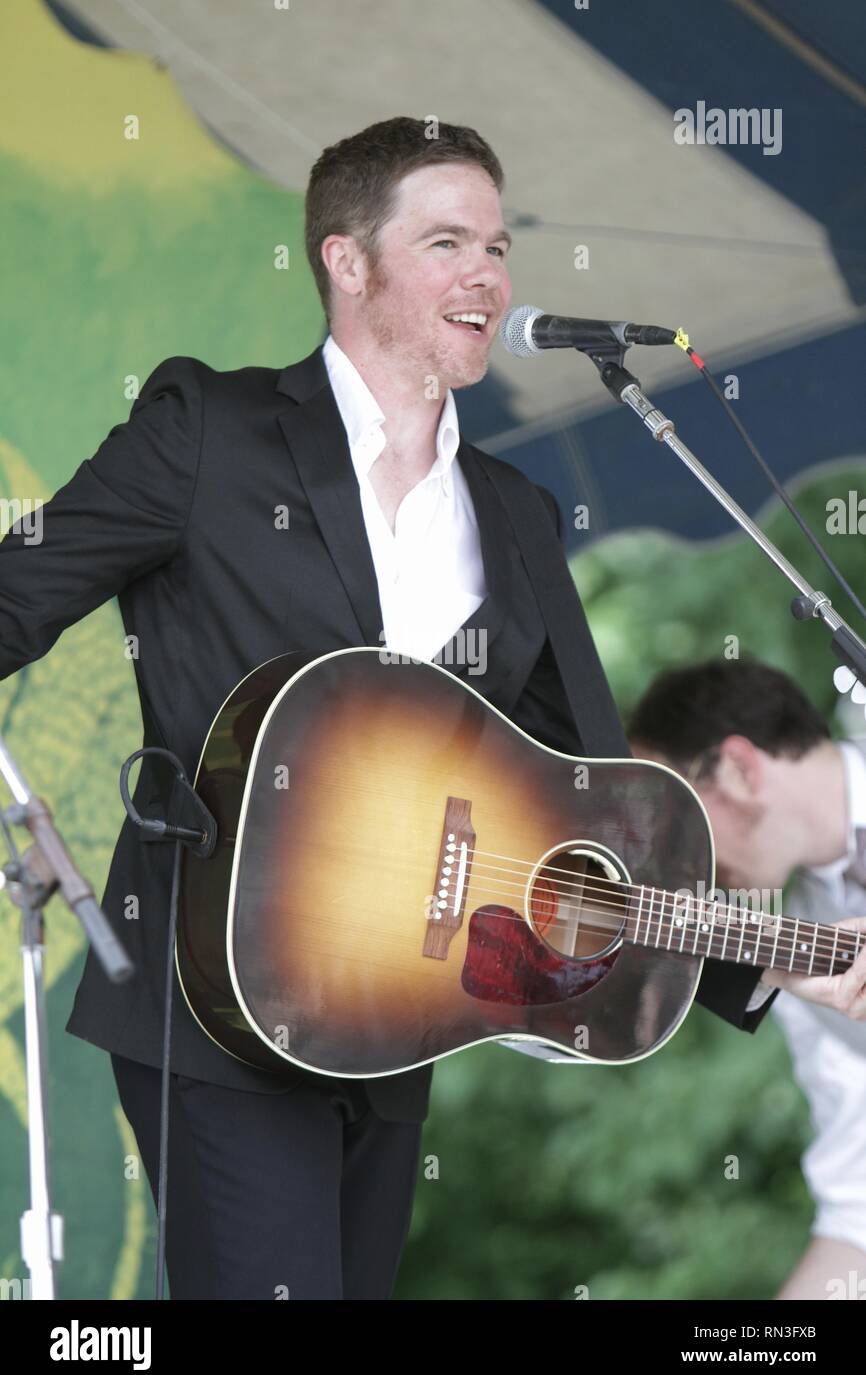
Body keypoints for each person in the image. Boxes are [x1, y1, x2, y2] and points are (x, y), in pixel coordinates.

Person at [0, 117, 773, 1300]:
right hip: (214, 993)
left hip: (396, 1008)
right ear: (344, 262)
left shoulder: (509, 508)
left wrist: (764, 963)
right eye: (446, 241)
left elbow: (591, 793)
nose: (488, 276)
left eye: (499, 247)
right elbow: (19, 592)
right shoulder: (209, 433)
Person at [628, 657, 866, 1300]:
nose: (681, 867)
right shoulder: (791, 964)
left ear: (738, 768)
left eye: (679, 824)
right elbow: (859, 1208)